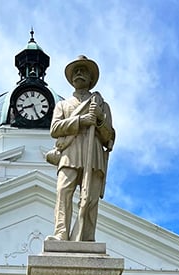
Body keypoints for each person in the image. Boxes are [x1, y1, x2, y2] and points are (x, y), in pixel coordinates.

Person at [48, 55, 115, 242]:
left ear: (91, 78)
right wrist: (80, 121)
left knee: (90, 198)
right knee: (63, 192)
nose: (79, 73)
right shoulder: (62, 105)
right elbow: (54, 129)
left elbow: (109, 138)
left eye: (83, 70)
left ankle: (85, 236)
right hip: (70, 152)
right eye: (76, 70)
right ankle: (61, 232)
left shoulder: (100, 104)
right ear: (71, 79)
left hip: (93, 153)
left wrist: (100, 119)